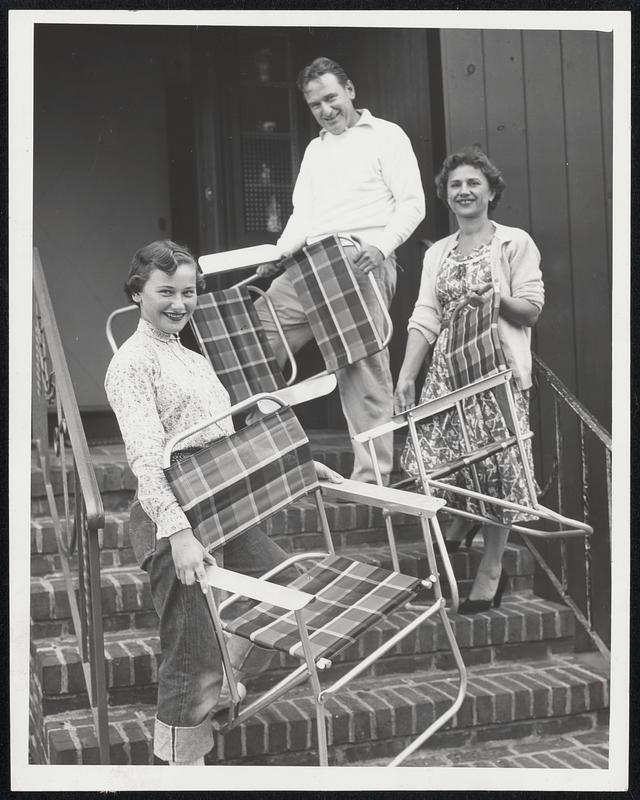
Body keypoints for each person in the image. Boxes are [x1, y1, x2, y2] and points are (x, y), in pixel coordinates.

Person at [105, 240, 342, 766]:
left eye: (188, 292)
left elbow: (228, 438)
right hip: (170, 520)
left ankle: (228, 683)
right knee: (191, 659)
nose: (178, 303)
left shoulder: (193, 357)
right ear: (138, 292)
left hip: (221, 509)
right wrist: (181, 535)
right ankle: (181, 769)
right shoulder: (132, 364)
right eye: (165, 291)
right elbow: (147, 461)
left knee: (285, 595)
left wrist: (298, 465)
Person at [254, 56, 425, 485]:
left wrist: (381, 247)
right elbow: (302, 214)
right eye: (315, 105)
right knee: (254, 338)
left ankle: (373, 480)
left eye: (331, 98)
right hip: (309, 264)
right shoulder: (316, 149)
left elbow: (413, 204)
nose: (326, 110)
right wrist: (278, 253)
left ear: (349, 91)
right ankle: (245, 453)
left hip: (357, 259)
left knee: (361, 368)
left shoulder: (387, 136)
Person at [393, 147, 544, 614]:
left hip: (494, 374)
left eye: (473, 183)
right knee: (441, 463)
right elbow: (426, 315)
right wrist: (406, 375)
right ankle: (463, 523)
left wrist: (496, 299)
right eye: (455, 185)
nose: (463, 191)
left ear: (491, 191)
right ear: (447, 196)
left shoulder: (513, 243)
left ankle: (492, 567)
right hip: (448, 376)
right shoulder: (437, 252)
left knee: (499, 468)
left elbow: (532, 308)